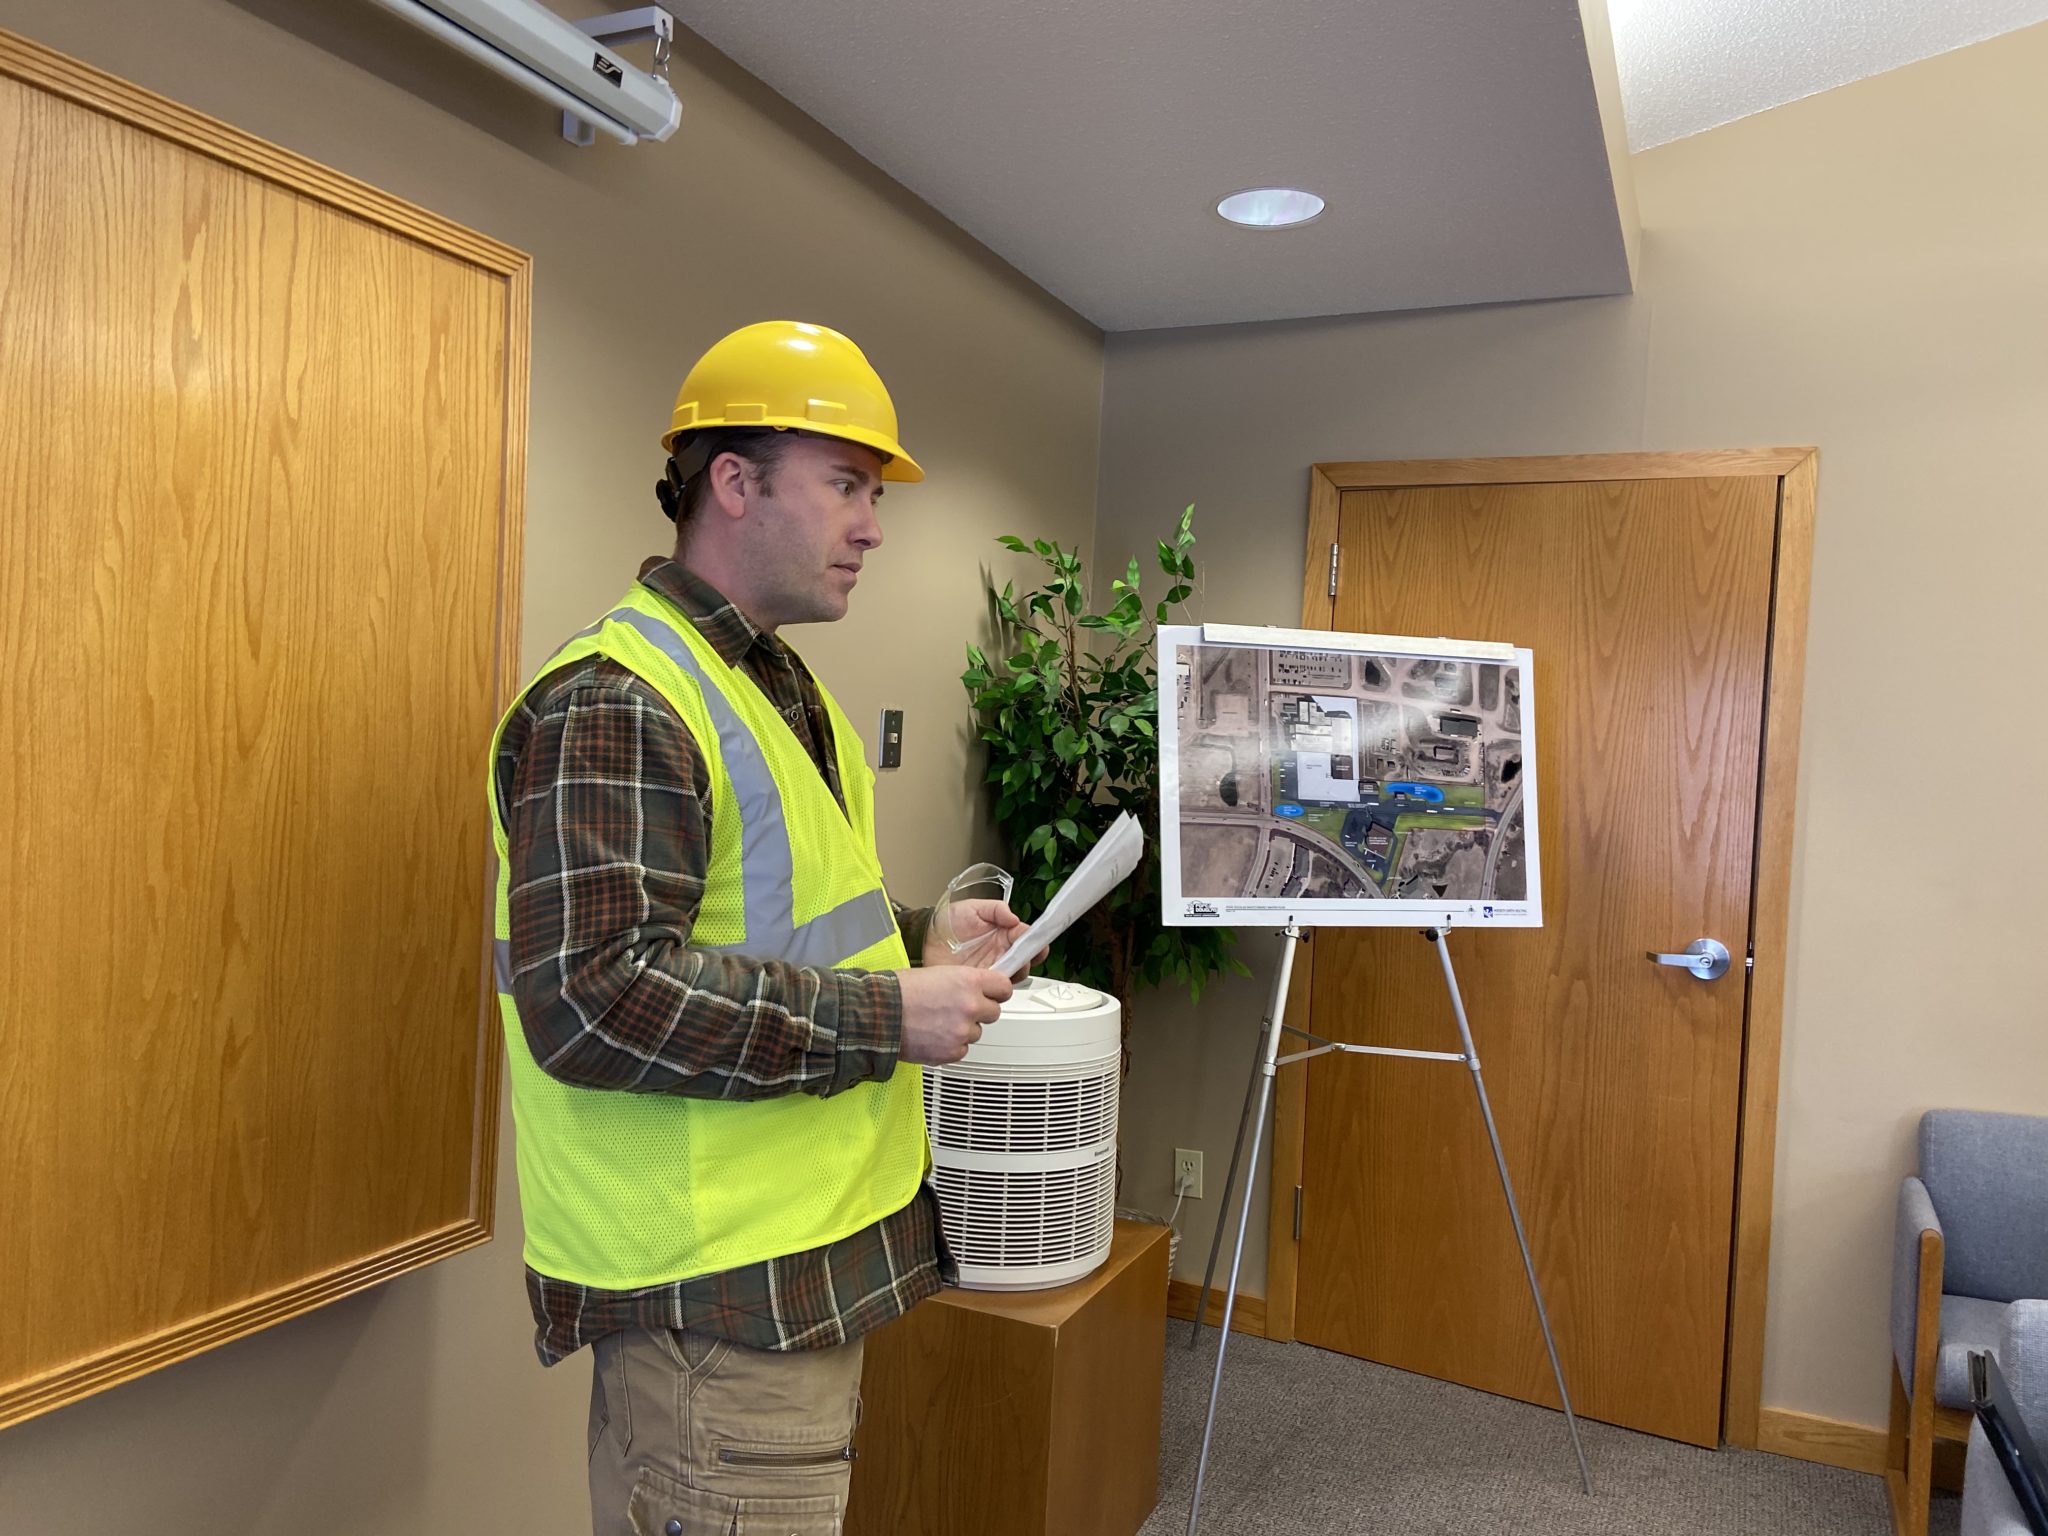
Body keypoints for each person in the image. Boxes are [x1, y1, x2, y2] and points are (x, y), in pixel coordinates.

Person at [487, 320, 1029, 1535]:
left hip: (795, 1269)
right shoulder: (619, 700)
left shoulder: (779, 688)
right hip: (709, 1305)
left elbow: (774, 921)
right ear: (733, 483)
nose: (873, 525)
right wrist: (891, 1014)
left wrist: (915, 937)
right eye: (845, 484)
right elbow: (593, 997)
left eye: (872, 492)